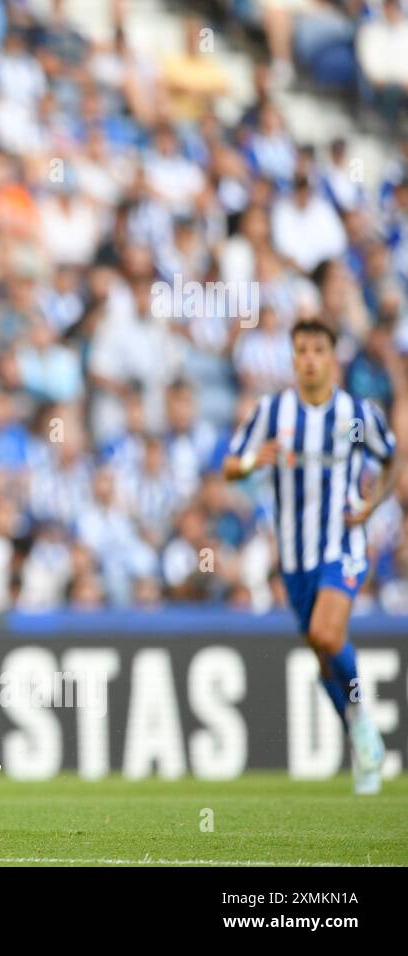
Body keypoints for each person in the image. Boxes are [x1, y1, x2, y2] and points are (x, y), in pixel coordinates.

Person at [223, 319, 399, 795]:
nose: (309, 358)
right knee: (321, 653)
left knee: (325, 632)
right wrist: (252, 462)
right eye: (301, 350)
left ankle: (362, 718)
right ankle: (359, 734)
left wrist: (371, 505)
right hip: (294, 556)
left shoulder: (354, 414)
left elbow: (389, 458)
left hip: (342, 545)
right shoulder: (271, 411)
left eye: (318, 349)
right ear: (292, 357)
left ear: (332, 356)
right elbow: (229, 465)